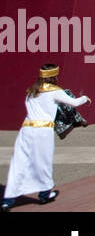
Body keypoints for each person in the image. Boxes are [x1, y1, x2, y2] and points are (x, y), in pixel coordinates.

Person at [2, 63, 90, 210]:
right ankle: (44, 195)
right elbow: (73, 102)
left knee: (19, 161)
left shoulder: (31, 91)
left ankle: (8, 200)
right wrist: (85, 98)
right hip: (43, 131)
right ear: (54, 77)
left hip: (26, 129)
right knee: (43, 162)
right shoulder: (55, 91)